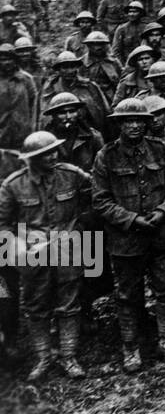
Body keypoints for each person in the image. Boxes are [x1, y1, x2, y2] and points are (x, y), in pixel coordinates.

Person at [90, 98, 165, 372]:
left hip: (161, 234)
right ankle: (130, 347)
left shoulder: (160, 149)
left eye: (139, 121)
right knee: (128, 295)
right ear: (119, 124)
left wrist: (164, 211)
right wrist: (131, 220)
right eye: (128, 121)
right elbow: (101, 201)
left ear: (147, 122)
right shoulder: (106, 156)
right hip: (126, 240)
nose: (134, 126)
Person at [0, 131, 94, 381]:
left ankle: (69, 356)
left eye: (54, 151)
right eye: (45, 154)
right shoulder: (13, 184)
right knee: (35, 306)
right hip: (32, 253)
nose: (52, 156)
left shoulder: (72, 175)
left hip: (69, 246)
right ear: (31, 158)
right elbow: (3, 224)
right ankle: (44, 357)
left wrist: (79, 229)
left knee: (70, 303)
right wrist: (18, 245)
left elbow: (94, 201)